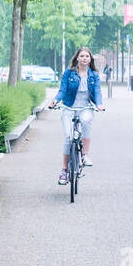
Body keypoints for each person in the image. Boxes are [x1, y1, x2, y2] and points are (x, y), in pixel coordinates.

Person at [48, 45, 106, 185]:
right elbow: (62, 90)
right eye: (82, 56)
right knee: (68, 137)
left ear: (90, 58)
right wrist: (55, 100)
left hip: (85, 107)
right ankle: (64, 171)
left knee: (86, 122)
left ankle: (85, 155)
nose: (84, 58)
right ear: (77, 58)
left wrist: (99, 104)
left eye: (87, 56)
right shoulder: (69, 73)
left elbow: (97, 91)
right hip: (68, 107)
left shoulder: (94, 75)